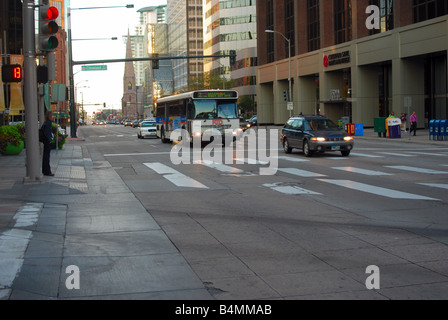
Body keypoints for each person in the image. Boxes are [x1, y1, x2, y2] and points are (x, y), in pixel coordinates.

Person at [41, 110, 55, 176]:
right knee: (47, 156)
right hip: (47, 142)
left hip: (45, 141)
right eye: (52, 115)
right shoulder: (48, 123)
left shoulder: (45, 122)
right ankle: (47, 171)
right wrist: (49, 140)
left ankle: (45, 170)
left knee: (45, 156)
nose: (53, 117)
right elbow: (47, 132)